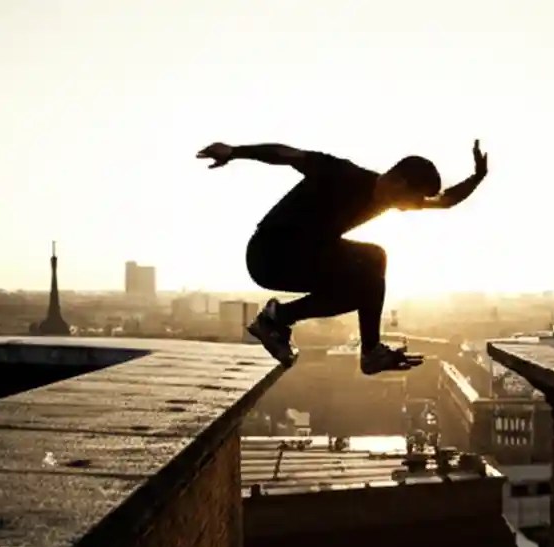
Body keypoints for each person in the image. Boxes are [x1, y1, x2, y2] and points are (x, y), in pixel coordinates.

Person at [195, 139, 489, 374]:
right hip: (270, 252)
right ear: (399, 182)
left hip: (301, 258)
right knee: (374, 258)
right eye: (412, 199)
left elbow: (445, 201)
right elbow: (287, 154)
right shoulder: (341, 173)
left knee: (364, 288)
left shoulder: (387, 198)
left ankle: (277, 319)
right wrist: (234, 152)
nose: (412, 208)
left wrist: (477, 177)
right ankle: (369, 351)